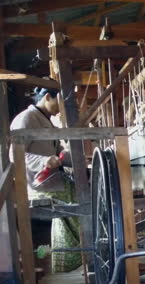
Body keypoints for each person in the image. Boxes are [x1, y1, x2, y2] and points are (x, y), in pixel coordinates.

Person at [10, 86, 81, 272]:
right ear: (47, 97)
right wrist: (44, 161)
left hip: (52, 179)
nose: (61, 108)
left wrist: (75, 158)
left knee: (81, 191)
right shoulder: (26, 119)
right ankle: (72, 259)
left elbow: (56, 150)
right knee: (77, 201)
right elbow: (14, 155)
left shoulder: (45, 121)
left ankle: (78, 256)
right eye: (59, 102)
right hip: (37, 183)